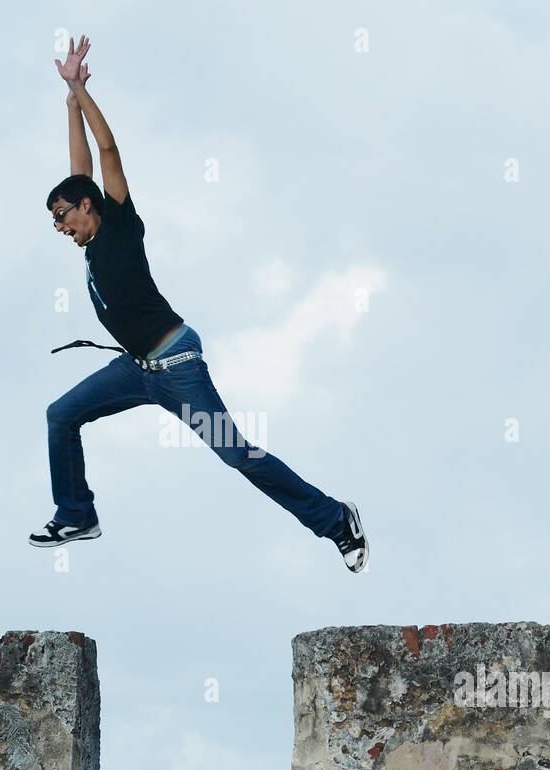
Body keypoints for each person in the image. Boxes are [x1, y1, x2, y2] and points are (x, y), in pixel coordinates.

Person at [32, 35, 368, 573]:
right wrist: (69, 98)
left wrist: (84, 94)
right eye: (54, 221)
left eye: (62, 216)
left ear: (88, 206)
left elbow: (106, 153)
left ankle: (335, 521)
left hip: (178, 367)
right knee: (60, 415)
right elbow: (79, 168)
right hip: (134, 370)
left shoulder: (118, 222)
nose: (60, 227)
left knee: (238, 455)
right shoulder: (93, 234)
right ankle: (76, 513)